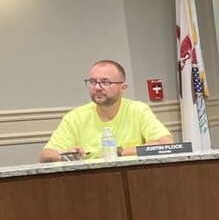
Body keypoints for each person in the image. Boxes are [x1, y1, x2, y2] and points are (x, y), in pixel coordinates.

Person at [40, 60, 172, 161]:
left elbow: (166, 144)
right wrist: (66, 157)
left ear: (123, 88)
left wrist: (118, 152)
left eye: (105, 82)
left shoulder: (138, 110)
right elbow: (45, 156)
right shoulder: (75, 117)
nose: (97, 87)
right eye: (92, 82)